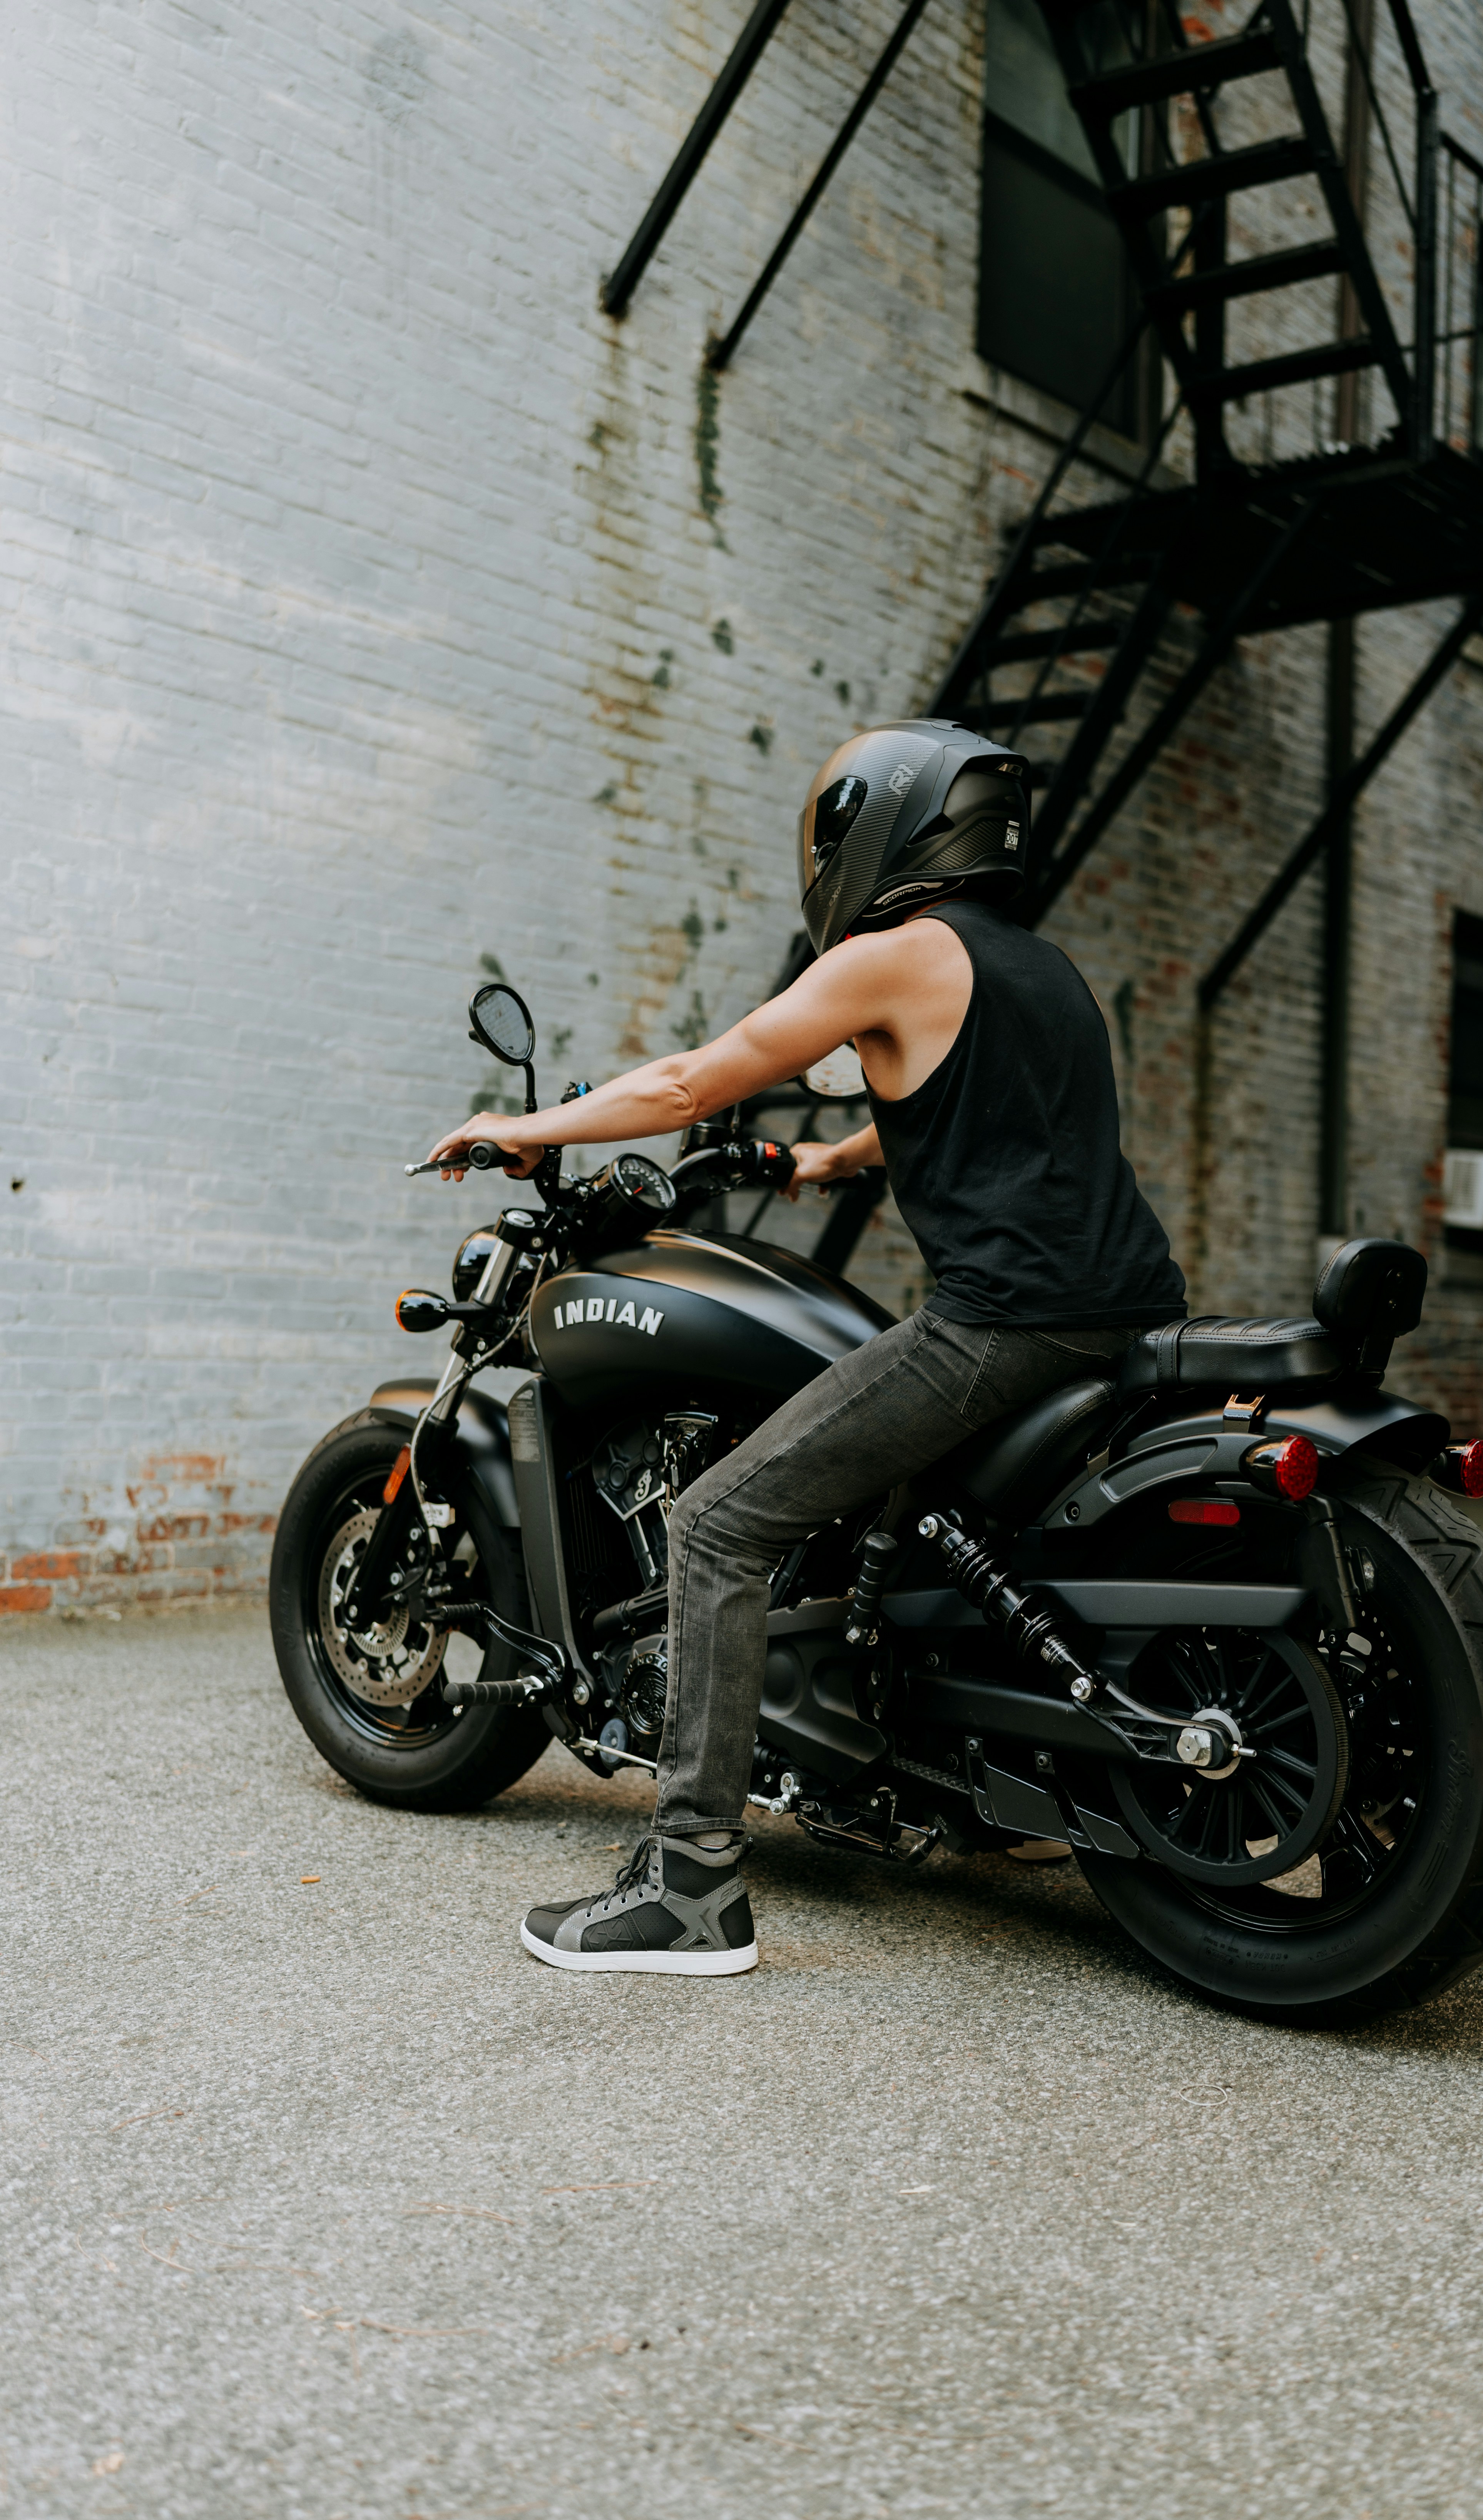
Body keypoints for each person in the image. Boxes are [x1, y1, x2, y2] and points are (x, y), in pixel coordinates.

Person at [426, 719, 1187, 1977]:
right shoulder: (1043, 968)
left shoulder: (892, 956)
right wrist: (831, 1158)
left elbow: (690, 1083)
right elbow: (993, 1112)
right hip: (1129, 1314)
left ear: (880, 829)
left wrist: (526, 1126)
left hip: (1001, 1325)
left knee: (717, 1525)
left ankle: (690, 1884)